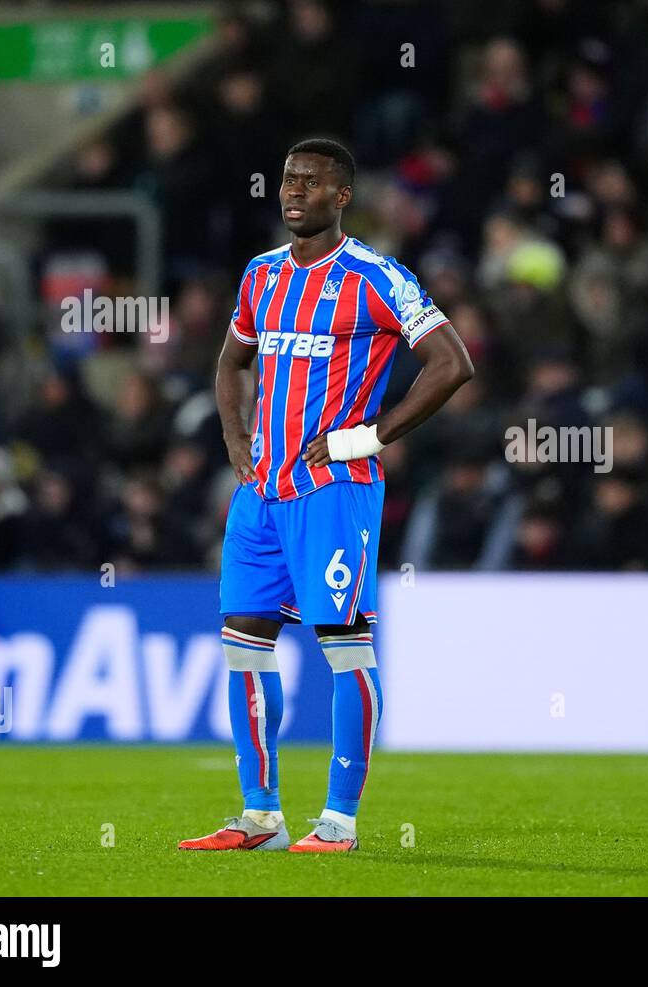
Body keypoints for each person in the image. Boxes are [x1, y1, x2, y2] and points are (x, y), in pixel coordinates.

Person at [180, 138, 473, 853]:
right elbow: (230, 361)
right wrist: (232, 435)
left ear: (341, 196)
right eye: (287, 178)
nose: (292, 190)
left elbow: (451, 363)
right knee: (246, 649)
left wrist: (371, 435)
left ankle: (338, 820)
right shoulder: (261, 275)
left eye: (310, 182)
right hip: (261, 497)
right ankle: (260, 816)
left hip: (333, 490)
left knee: (345, 647)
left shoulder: (376, 276)